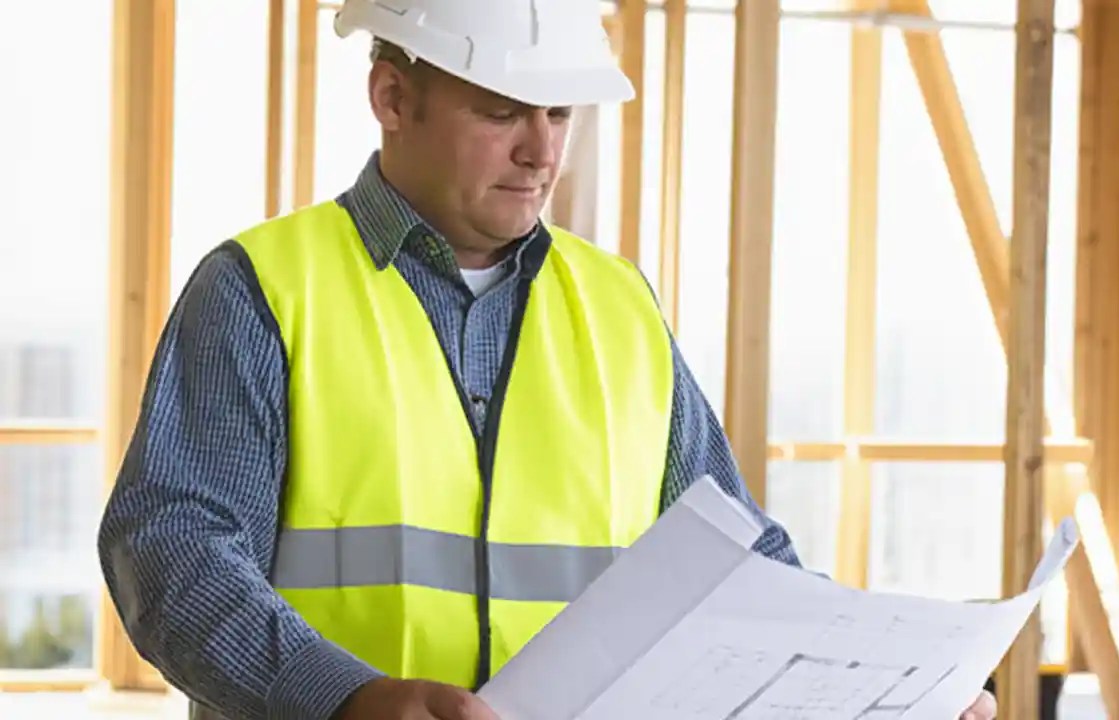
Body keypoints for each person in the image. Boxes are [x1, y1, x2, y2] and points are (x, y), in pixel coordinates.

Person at [96, 1, 998, 719]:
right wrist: (345, 698)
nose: (542, 150)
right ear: (392, 99)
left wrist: (890, 686)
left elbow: (733, 561)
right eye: (500, 112)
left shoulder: (619, 307)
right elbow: (172, 555)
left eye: (560, 111)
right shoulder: (261, 291)